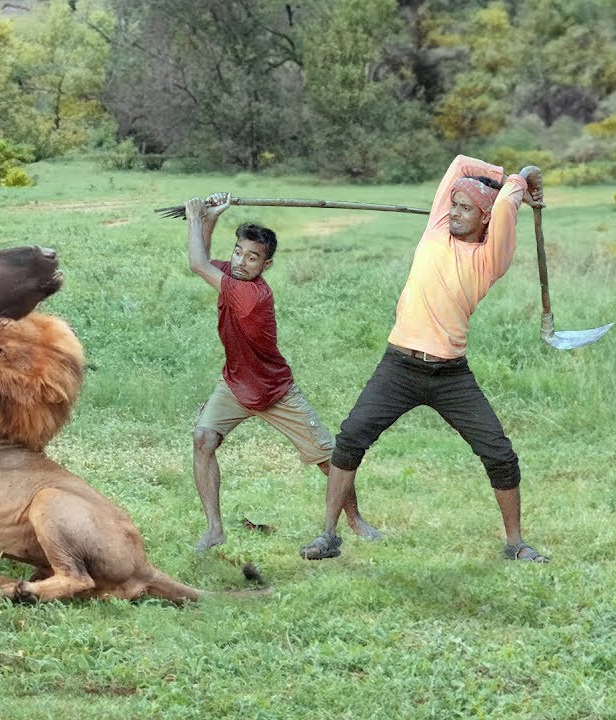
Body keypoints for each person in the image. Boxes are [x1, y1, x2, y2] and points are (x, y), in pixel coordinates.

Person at [299, 156, 549, 563]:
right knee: (349, 441)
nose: (453, 211)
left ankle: (515, 543)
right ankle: (328, 536)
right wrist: (504, 176)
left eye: (465, 208)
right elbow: (458, 165)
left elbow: (505, 206)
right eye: (453, 204)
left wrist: (522, 180)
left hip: (450, 375)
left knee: (499, 454)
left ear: (485, 218)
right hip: (398, 367)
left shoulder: (491, 259)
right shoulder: (435, 230)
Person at [185, 193, 378, 553]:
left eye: (252, 257)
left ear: (266, 264)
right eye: (239, 252)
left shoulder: (250, 295)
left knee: (328, 458)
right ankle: (214, 530)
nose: (242, 261)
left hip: (274, 391)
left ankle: (354, 520)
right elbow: (207, 255)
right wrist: (212, 215)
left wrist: (195, 216)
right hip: (234, 384)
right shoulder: (233, 272)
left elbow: (197, 263)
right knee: (203, 439)